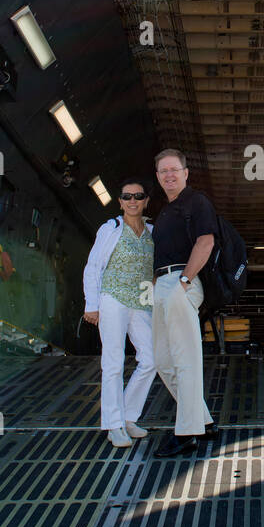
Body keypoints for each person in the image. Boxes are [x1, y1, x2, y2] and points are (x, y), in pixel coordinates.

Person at [150, 148, 217, 457]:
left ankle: (186, 433)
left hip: (181, 281)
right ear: (158, 177)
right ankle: (202, 420)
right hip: (162, 285)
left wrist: (185, 282)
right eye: (163, 171)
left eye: (174, 169)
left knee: (185, 359)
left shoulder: (196, 202)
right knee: (163, 360)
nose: (169, 175)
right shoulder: (166, 210)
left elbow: (206, 242)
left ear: (186, 172)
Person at [82, 176, 158, 448]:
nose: (133, 201)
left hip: (141, 303)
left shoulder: (152, 230)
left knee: (151, 358)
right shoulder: (110, 228)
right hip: (112, 299)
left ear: (146, 200)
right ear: (120, 201)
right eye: (127, 197)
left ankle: (128, 417)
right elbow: (93, 266)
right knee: (113, 363)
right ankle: (113, 425)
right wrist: (92, 305)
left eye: (138, 196)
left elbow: (156, 269)